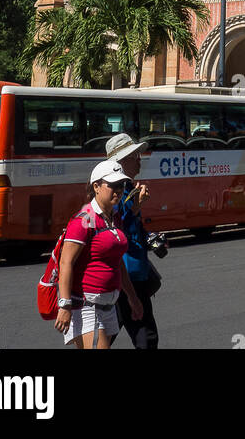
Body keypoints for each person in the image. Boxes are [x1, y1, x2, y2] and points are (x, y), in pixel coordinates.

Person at [54, 160, 143, 349]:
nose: (118, 190)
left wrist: (133, 298)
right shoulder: (84, 220)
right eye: (112, 185)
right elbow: (66, 263)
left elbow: (117, 263)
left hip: (108, 306)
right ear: (96, 186)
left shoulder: (114, 218)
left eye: (122, 185)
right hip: (87, 306)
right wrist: (65, 305)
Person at [104, 133, 160, 348]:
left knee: (109, 336)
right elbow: (114, 232)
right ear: (120, 161)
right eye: (134, 155)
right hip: (126, 276)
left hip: (132, 274)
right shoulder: (113, 193)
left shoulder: (128, 188)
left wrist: (151, 239)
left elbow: (134, 229)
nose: (139, 159)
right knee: (146, 338)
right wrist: (136, 207)